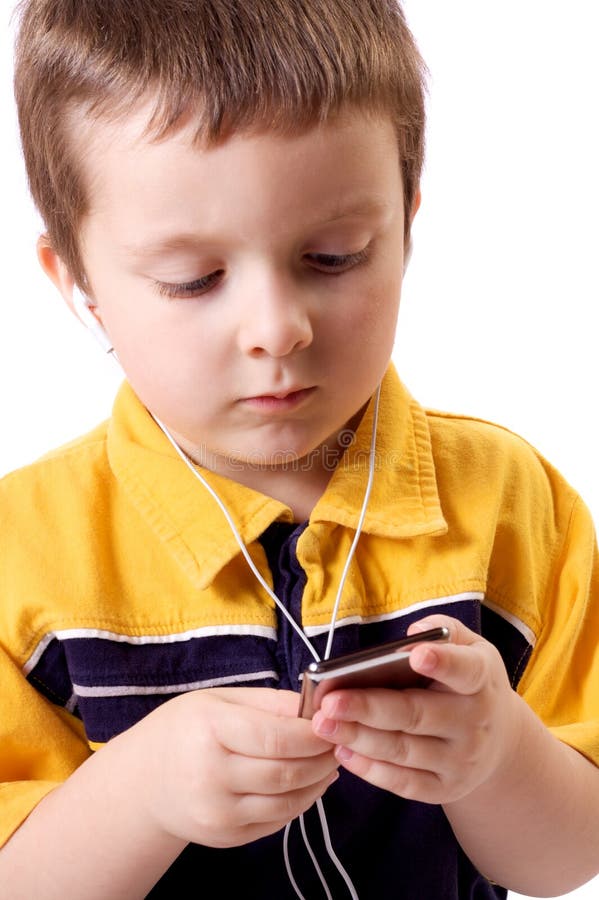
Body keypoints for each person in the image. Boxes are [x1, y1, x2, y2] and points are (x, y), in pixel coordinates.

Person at [1, 1, 598, 897]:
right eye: (191, 279)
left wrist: (499, 754)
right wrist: (140, 792)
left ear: (405, 224)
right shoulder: (23, 551)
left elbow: (563, 861)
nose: (277, 330)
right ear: (76, 282)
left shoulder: (512, 506)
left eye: (333, 255)